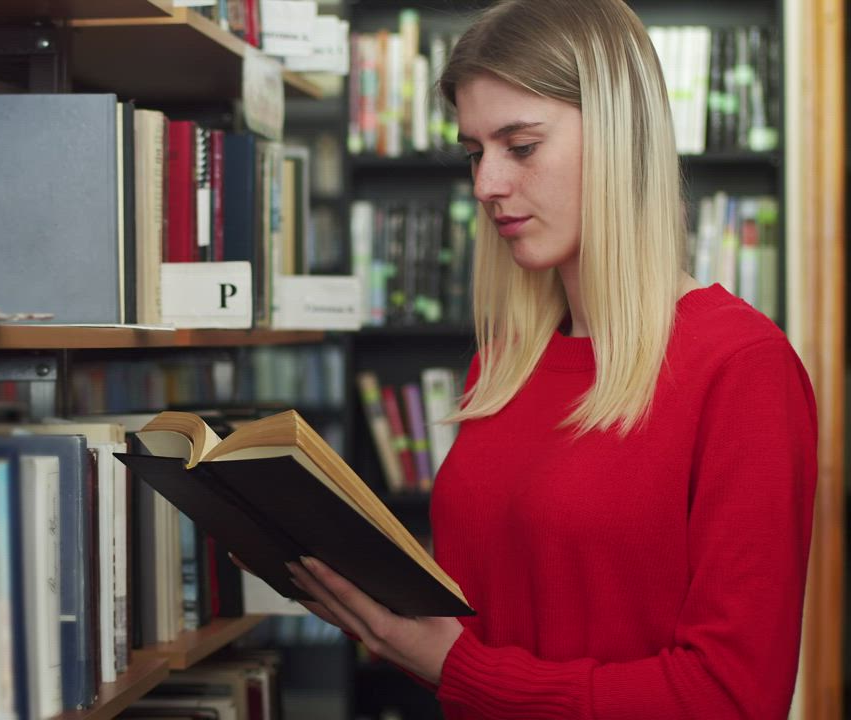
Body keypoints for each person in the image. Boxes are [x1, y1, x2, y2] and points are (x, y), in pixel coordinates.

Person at [287, 0, 818, 717]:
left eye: (521, 146)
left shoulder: (743, 367)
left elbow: (732, 697)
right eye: (475, 152)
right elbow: (486, 631)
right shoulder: (503, 365)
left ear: (620, 138)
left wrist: (456, 668)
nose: (486, 185)